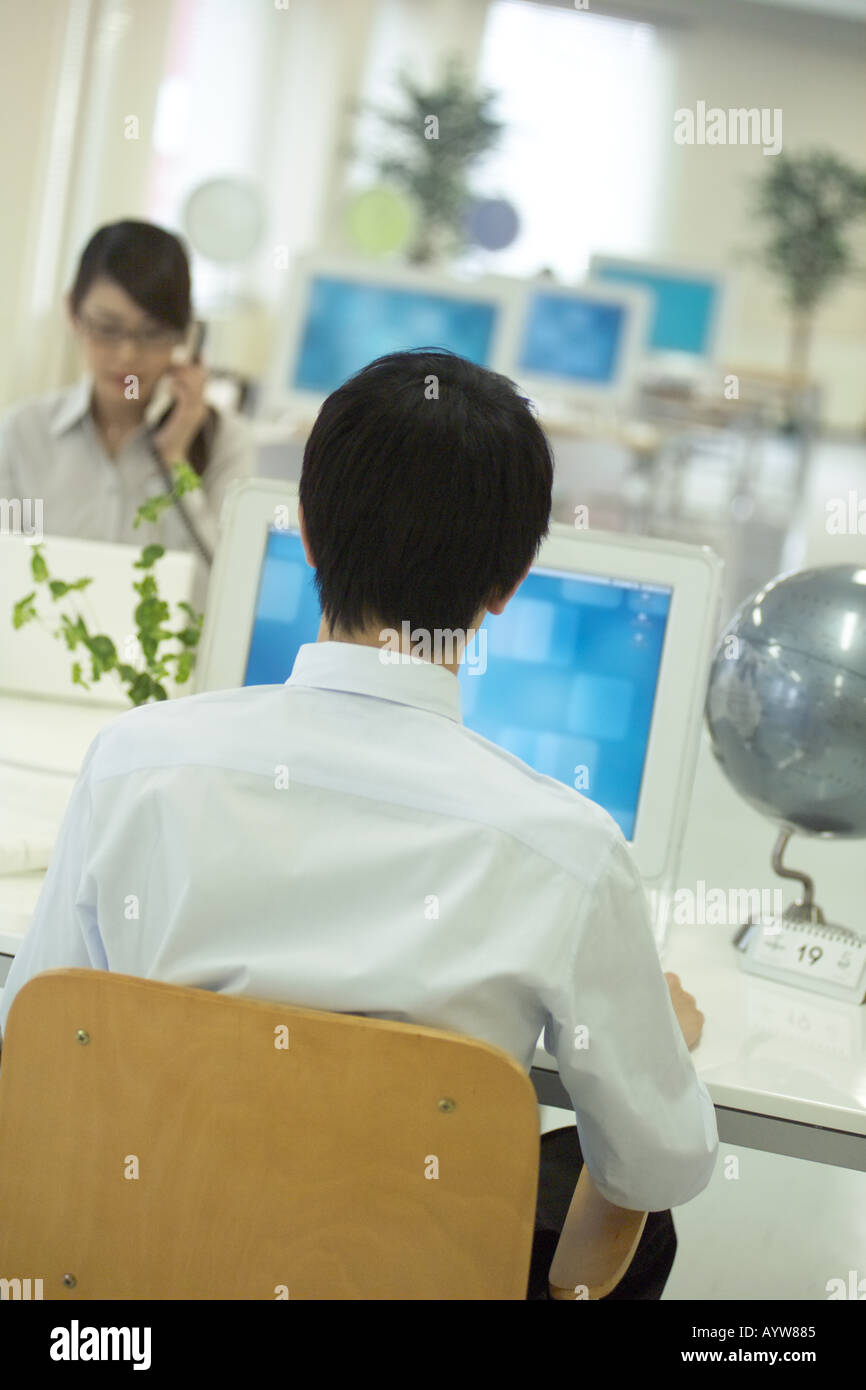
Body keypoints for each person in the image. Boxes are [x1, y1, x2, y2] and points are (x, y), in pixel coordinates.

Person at [0, 349, 717, 1300]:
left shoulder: (135, 765)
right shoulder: (569, 856)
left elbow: (39, 1053)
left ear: (301, 530)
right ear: (510, 583)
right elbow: (652, 1169)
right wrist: (649, 1038)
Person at [0, 219, 254, 601]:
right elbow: (14, 573)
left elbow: (229, 595)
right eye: (107, 328)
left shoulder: (223, 441)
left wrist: (176, 461)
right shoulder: (26, 435)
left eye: (152, 334)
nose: (127, 357)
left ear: (187, 337)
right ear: (72, 314)